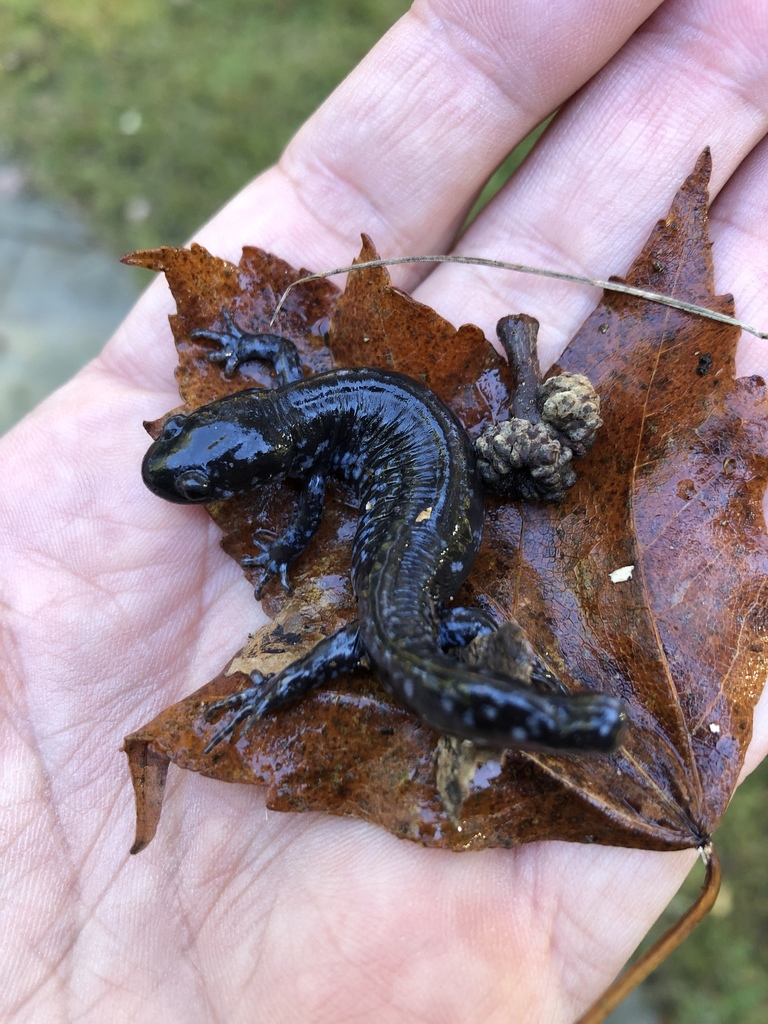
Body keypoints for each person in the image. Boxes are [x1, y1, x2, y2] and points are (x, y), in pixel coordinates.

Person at [2, 0, 767, 1019]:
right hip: (424, 585)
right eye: (193, 471)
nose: (191, 483)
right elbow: (287, 404)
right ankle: (547, 708)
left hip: (414, 587)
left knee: (386, 638)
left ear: (244, 443)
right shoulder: (283, 406)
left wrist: (283, 555)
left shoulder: (296, 436)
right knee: (396, 637)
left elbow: (308, 473)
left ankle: (521, 707)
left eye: (197, 474)